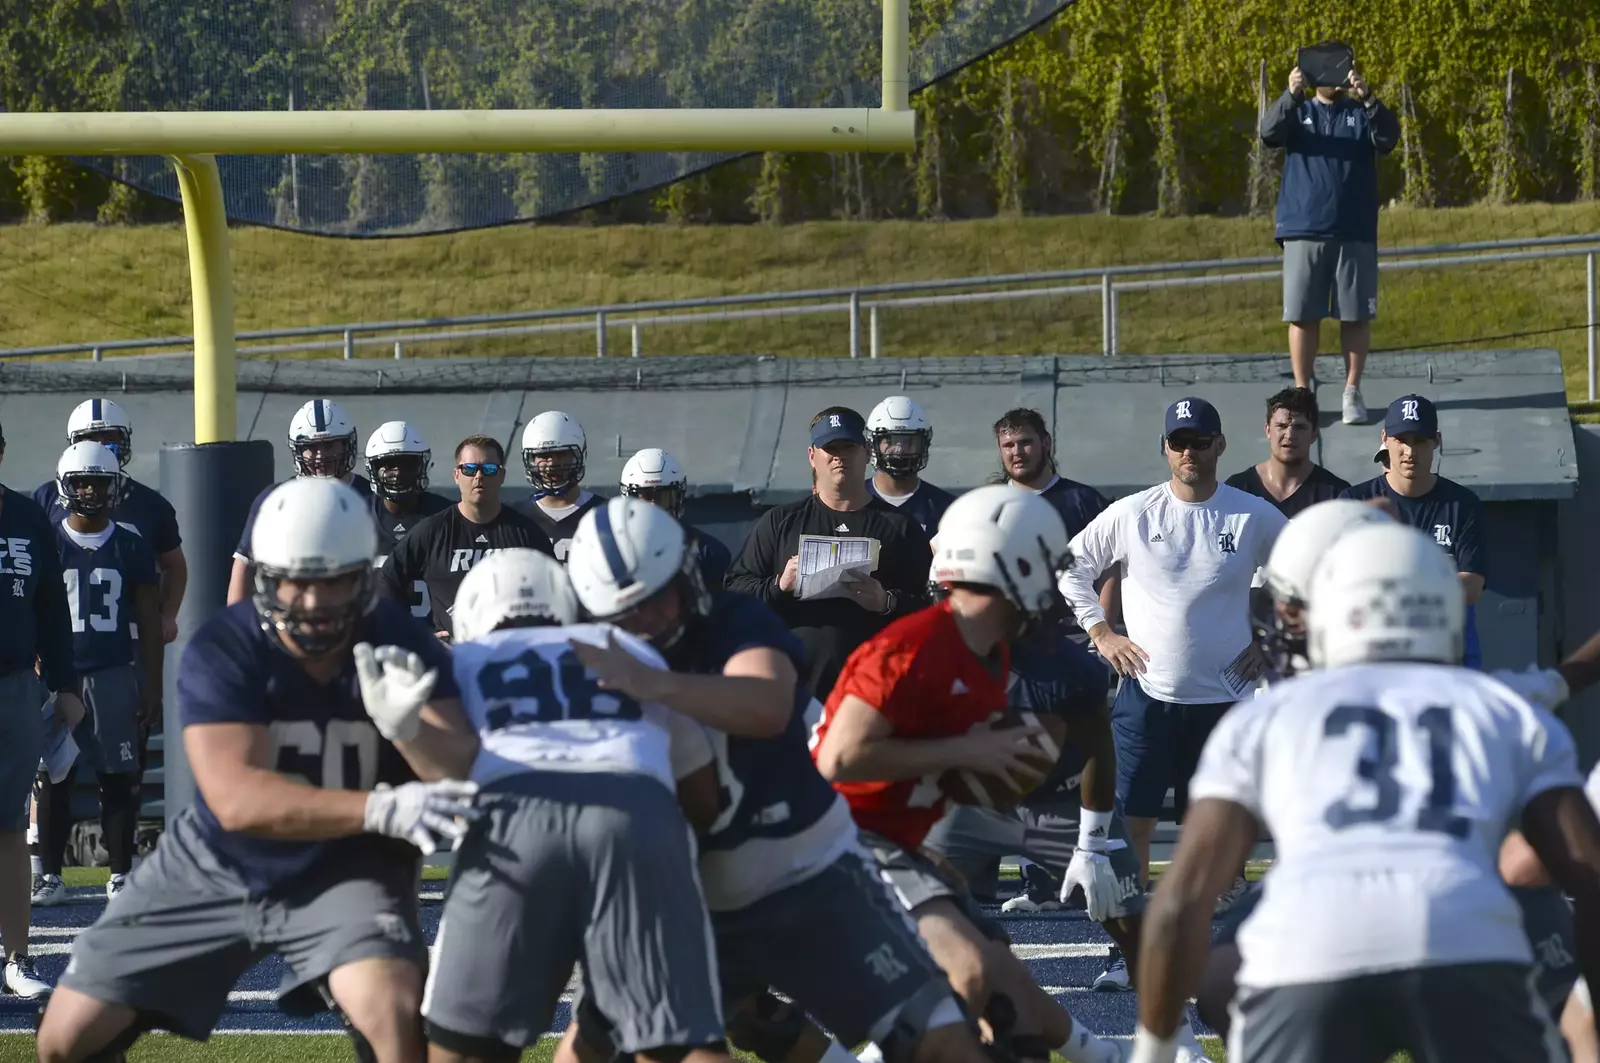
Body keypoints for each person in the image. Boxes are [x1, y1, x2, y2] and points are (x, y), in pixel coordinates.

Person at [35, 476, 481, 1063]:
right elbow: (237, 800)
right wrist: (378, 805)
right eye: (296, 580)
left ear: (364, 577)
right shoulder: (227, 646)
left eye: (333, 581)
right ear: (266, 575)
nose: (315, 601)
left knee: (395, 1023)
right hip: (222, 860)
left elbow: (462, 770)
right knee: (68, 1040)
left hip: (351, 867)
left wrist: (412, 731)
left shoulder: (399, 639)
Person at [1131, 521, 1600, 1063]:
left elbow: (1181, 900)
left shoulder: (1266, 719)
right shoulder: (1501, 708)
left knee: (1227, 973)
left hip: (1306, 950)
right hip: (1467, 943)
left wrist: (1155, 1048)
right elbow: (1589, 872)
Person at [559, 497, 986, 1063]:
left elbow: (766, 703)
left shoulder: (731, 619)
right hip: (686, 893)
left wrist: (651, 684)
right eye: (629, 612)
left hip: (804, 870)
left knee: (941, 1040)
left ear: (684, 572)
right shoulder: (582, 665)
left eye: (659, 597)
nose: (652, 621)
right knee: (628, 1044)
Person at [814, 485, 1206, 1063]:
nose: (1054, 584)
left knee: (1013, 989)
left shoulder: (1017, 651)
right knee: (966, 976)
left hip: (1014, 805)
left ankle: (1148, 1049)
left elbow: (1094, 743)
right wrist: (966, 753)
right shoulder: (917, 648)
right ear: (1014, 566)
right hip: (871, 838)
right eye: (1046, 566)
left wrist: (1093, 842)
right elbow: (839, 760)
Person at [423, 545, 731, 1063]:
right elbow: (700, 788)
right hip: (633, 811)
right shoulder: (625, 649)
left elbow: (445, 764)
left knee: (465, 1047)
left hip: (515, 821)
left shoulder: (462, 662)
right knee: (676, 1044)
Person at [1058, 397, 1285, 891]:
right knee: (1132, 826)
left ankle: (1219, 952)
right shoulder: (1133, 512)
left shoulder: (1252, 515)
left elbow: (1308, 574)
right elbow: (1067, 565)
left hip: (1226, 701)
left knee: (1218, 831)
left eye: (1200, 443)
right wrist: (1100, 631)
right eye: (1179, 443)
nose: (1189, 453)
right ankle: (1130, 951)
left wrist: (1274, 644)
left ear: (1219, 445)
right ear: (1165, 448)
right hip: (1146, 697)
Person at [918, 622, 1147, 993]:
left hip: (1061, 800)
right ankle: (903, 1035)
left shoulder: (1065, 666)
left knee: (1125, 913)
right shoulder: (923, 655)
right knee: (906, 901)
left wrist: (1092, 844)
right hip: (974, 803)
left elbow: (1098, 755)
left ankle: (1175, 1038)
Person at [32, 444, 162, 909]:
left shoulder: (129, 541)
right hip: (58, 674)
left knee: (118, 774)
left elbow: (149, 619)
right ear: (65, 485)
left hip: (111, 671)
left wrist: (152, 683)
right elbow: (32, 609)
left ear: (113, 485)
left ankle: (121, 873)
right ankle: (49, 873)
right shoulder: (46, 539)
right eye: (81, 481)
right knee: (53, 774)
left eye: (99, 482)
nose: (90, 490)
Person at [725, 407, 930, 700]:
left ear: (867, 451)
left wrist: (886, 601)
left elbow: (932, 606)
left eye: (848, 447)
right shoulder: (781, 521)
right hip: (795, 688)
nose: (839, 456)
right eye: (830, 448)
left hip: (874, 690)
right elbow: (734, 591)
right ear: (812, 455)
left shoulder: (900, 527)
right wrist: (779, 585)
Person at [1260, 42, 1400, 425]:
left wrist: (1368, 96)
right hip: (1303, 227)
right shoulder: (1298, 110)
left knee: (1355, 315)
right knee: (1303, 314)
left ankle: (1351, 390)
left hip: (1353, 229)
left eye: (1338, 68)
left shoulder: (1361, 112)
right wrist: (1290, 94)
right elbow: (1268, 133)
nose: (1331, 76)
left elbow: (1389, 139)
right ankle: (1303, 393)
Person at [0, 419, 84, 1001]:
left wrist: (67, 682)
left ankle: (16, 958)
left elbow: (53, 609)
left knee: (8, 828)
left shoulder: (28, 517)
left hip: (12, 687)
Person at [1339, 394, 1488, 668]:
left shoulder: (1463, 504)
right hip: (1372, 657)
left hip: (1448, 657)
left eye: (1419, 440)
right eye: (1401, 440)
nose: (1410, 451)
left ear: (1437, 440)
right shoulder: (1355, 503)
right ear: (1385, 438)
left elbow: (1471, 586)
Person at [33, 399, 187, 644]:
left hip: (129, 634)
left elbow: (175, 565)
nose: (100, 445)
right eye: (90, 438)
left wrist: (167, 615)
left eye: (108, 436)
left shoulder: (151, 504)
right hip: (62, 631)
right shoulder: (47, 497)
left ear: (124, 441)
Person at [379, 434, 554, 641]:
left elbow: (557, 591)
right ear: (456, 475)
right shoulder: (432, 531)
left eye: (489, 469)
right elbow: (387, 581)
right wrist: (414, 637)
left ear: (502, 476)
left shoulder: (526, 533)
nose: (478, 477)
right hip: (452, 658)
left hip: (511, 655)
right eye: (469, 469)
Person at [227, 399, 373, 606]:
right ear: (298, 450)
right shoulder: (275, 499)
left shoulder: (372, 497)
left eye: (330, 445)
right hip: (290, 608)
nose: (321, 455)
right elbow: (244, 563)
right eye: (312, 447)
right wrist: (235, 625)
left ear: (346, 445)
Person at [1224, 387, 1350, 517]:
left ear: (1314, 434)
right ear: (1268, 430)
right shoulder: (1237, 490)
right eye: (1281, 426)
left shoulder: (1336, 495)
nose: (1289, 435)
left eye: (1300, 427)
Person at [618, 447, 732, 586]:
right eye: (646, 497)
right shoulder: (612, 554)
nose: (654, 508)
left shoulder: (708, 553)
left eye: (662, 498)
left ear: (678, 498)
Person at [865, 396, 955, 538]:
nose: (899, 450)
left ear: (924, 445)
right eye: (889, 440)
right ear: (872, 445)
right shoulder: (852, 499)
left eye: (909, 441)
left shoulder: (947, 509)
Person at [519, 410, 604, 561]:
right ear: (530, 460)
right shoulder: (514, 517)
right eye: (543, 455)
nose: (552, 464)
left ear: (578, 456)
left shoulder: (605, 514)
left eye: (561, 454)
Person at [365, 420, 451, 566]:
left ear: (421, 465)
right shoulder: (359, 515)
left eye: (407, 464)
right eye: (389, 465)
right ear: (374, 469)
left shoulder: (447, 515)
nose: (398, 473)